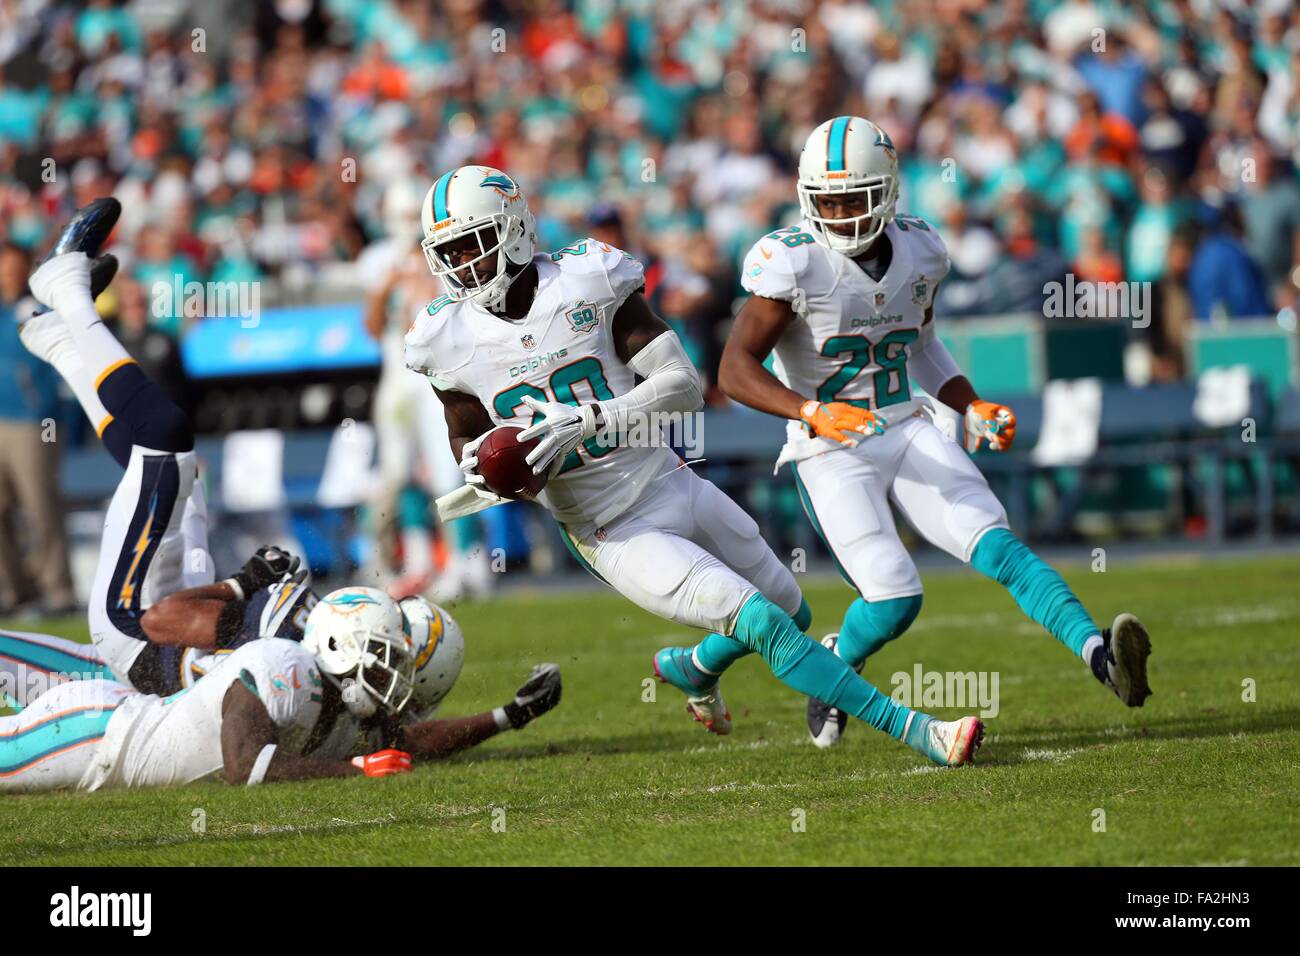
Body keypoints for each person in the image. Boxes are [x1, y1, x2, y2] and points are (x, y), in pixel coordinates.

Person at [406, 165, 984, 767]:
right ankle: (922, 732)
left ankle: (692, 668)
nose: (465, 265)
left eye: (474, 243)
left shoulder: (586, 279)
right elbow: (467, 438)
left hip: (671, 477)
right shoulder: (443, 338)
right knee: (761, 619)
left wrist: (595, 419)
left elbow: (683, 385)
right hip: (610, 528)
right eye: (449, 252)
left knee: (792, 609)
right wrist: (482, 468)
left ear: (517, 229)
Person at [714, 116, 1152, 748]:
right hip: (830, 449)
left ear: (888, 192)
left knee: (997, 542)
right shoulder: (795, 264)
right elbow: (733, 370)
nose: (837, 213)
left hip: (905, 423)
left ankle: (1100, 659)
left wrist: (969, 404)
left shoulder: (921, 250)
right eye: (826, 199)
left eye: (852, 198)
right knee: (895, 598)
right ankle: (836, 659)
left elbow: (921, 346)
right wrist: (810, 412)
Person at [0, 587, 563, 792]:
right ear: (343, 645)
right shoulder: (281, 663)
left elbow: (410, 745)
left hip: (112, 746)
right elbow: (244, 767)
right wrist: (354, 772)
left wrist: (506, 717)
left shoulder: (345, 708)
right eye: (384, 656)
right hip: (98, 737)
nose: (392, 673)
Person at [0, 242, 76, 615]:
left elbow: (59, 368)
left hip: (34, 422)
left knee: (40, 504)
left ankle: (58, 589)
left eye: (14, 266)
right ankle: (12, 591)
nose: (8, 273)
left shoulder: (39, 309)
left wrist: (56, 419)